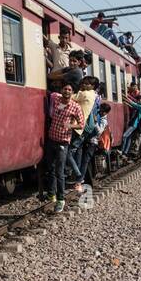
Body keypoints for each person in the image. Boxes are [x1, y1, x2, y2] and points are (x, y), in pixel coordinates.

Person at [44, 83, 82, 213]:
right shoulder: (57, 102)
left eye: (69, 89)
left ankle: (61, 199)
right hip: (51, 140)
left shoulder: (75, 107)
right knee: (51, 169)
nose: (67, 91)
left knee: (59, 172)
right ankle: (52, 194)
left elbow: (81, 124)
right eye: (65, 89)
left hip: (63, 142)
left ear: (72, 93)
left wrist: (71, 126)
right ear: (62, 91)